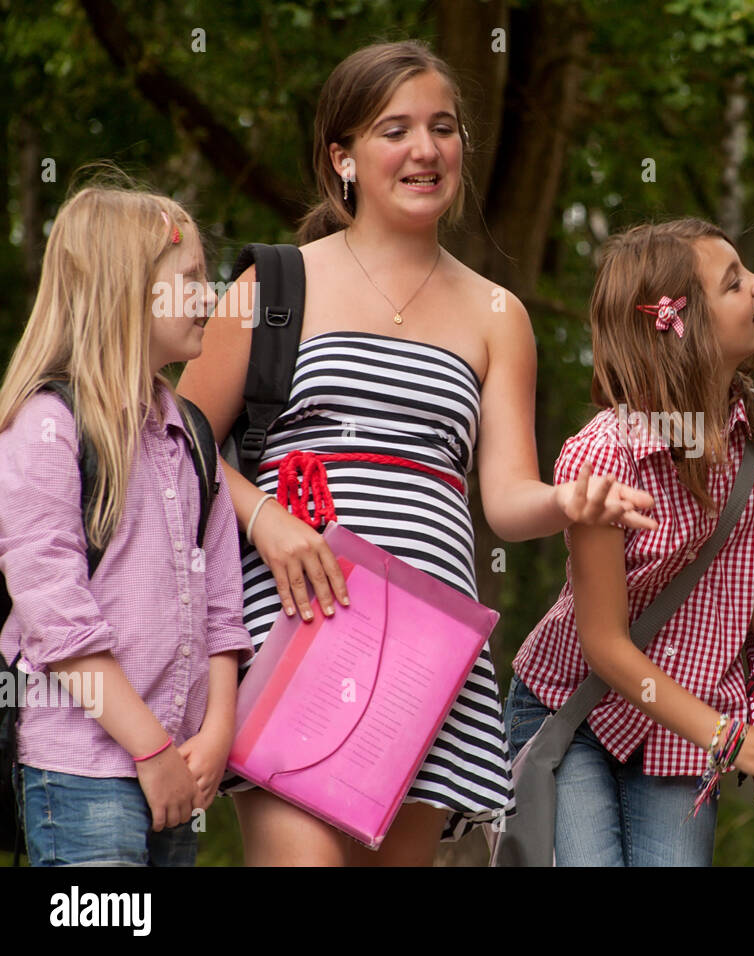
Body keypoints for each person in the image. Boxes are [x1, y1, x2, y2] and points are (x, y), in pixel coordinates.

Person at [176, 40, 654, 866]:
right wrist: (264, 520)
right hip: (300, 628)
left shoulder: (500, 313)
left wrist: (568, 502)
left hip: (424, 653)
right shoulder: (273, 285)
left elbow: (504, 498)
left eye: (443, 127)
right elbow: (173, 441)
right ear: (344, 158)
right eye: (394, 130)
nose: (425, 150)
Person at [506, 218, 754, 866]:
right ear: (681, 326)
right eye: (733, 282)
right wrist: (734, 741)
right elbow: (603, 644)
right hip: (573, 711)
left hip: (682, 730)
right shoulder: (609, 452)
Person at [0, 182, 252, 866]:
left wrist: (216, 730)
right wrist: (150, 748)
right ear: (125, 289)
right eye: (191, 278)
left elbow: (226, 611)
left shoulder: (191, 436)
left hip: (178, 768)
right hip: (83, 773)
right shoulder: (48, 427)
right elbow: (57, 621)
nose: (210, 295)